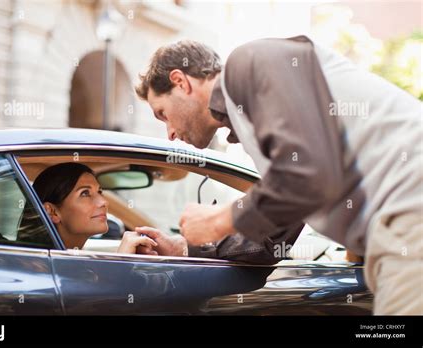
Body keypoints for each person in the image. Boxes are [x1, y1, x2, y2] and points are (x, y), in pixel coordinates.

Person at [135, 37, 422, 314]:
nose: (169, 133)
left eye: (162, 114)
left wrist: (217, 220)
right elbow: (270, 237)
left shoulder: (250, 63)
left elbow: (306, 176)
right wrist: (187, 248)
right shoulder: (254, 124)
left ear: (180, 82)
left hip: (410, 207)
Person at [33, 162, 295, 263]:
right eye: (85, 194)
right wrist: (121, 264)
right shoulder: (42, 265)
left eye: (100, 191)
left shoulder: (62, 258)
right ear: (52, 211)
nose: (102, 202)